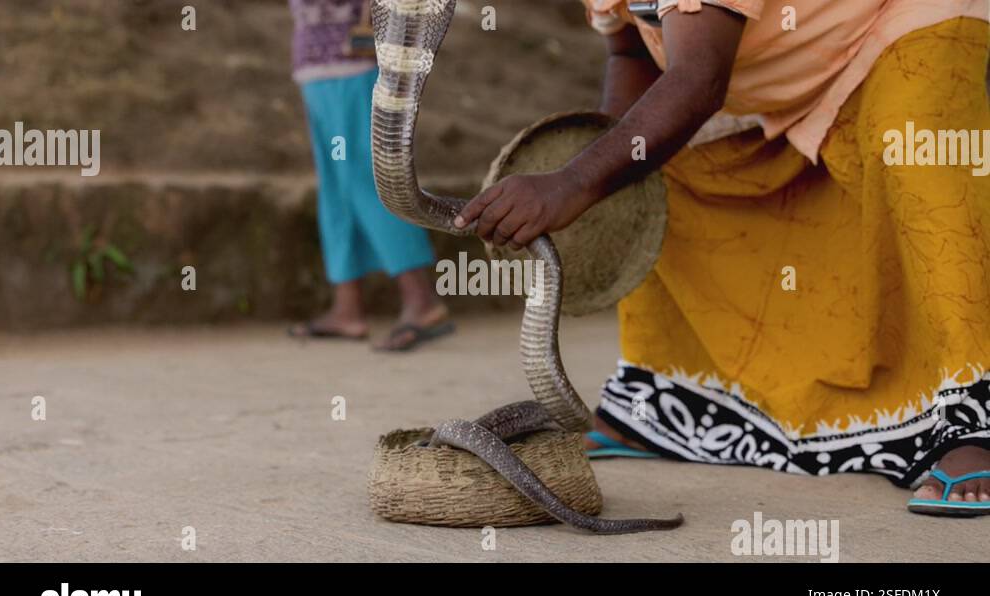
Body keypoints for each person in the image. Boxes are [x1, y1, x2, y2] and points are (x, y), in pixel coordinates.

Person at [456, 0, 990, 515]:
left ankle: (974, 424)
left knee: (919, 154)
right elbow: (631, 57)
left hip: (891, 24)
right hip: (768, 62)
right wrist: (597, 181)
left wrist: (571, 183)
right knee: (640, 161)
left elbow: (698, 82)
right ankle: (664, 405)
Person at [287, 0, 453, 351]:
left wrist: (369, 34)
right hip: (317, 67)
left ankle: (421, 299)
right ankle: (348, 307)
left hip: (351, 63)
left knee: (369, 180)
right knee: (337, 189)